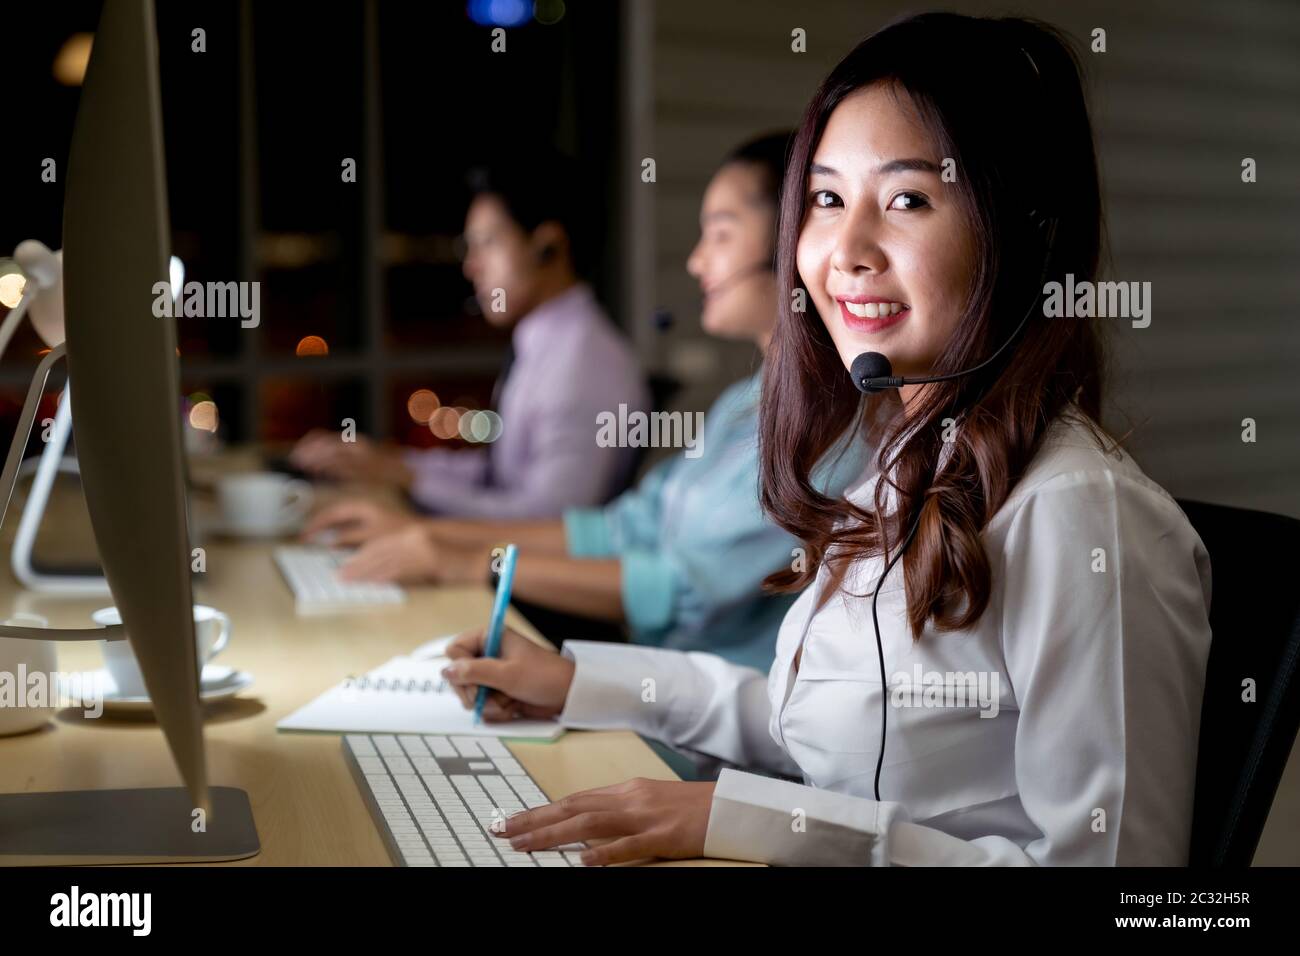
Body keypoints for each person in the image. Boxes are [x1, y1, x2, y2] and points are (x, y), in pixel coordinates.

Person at [434, 13, 1214, 867]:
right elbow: (808, 724)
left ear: (1022, 233)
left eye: (908, 200)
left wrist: (746, 818)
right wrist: (579, 683)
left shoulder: (1080, 517)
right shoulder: (905, 464)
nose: (845, 250)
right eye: (827, 200)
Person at [306, 133, 869, 671]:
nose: (696, 262)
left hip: (698, 719)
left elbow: (669, 582)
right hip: (651, 686)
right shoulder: (742, 402)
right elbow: (621, 527)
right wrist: (432, 533)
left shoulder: (834, 429)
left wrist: (469, 557)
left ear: (795, 242)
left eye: (720, 235)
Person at [289, 152, 650, 518]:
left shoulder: (583, 361)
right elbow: (499, 476)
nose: (471, 266)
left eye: (487, 243)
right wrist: (392, 464)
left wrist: (407, 479)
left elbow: (547, 519)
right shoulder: (548, 343)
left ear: (547, 246)